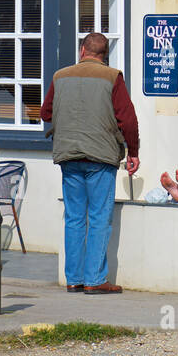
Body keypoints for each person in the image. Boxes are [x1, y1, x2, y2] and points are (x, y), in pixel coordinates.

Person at [40, 32, 139, 294]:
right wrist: (133, 152)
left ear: (82, 50)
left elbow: (45, 112)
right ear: (105, 55)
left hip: (68, 154)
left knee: (73, 218)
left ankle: (73, 279)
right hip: (100, 156)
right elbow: (127, 119)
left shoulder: (60, 76)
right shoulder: (112, 77)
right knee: (98, 218)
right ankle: (94, 280)